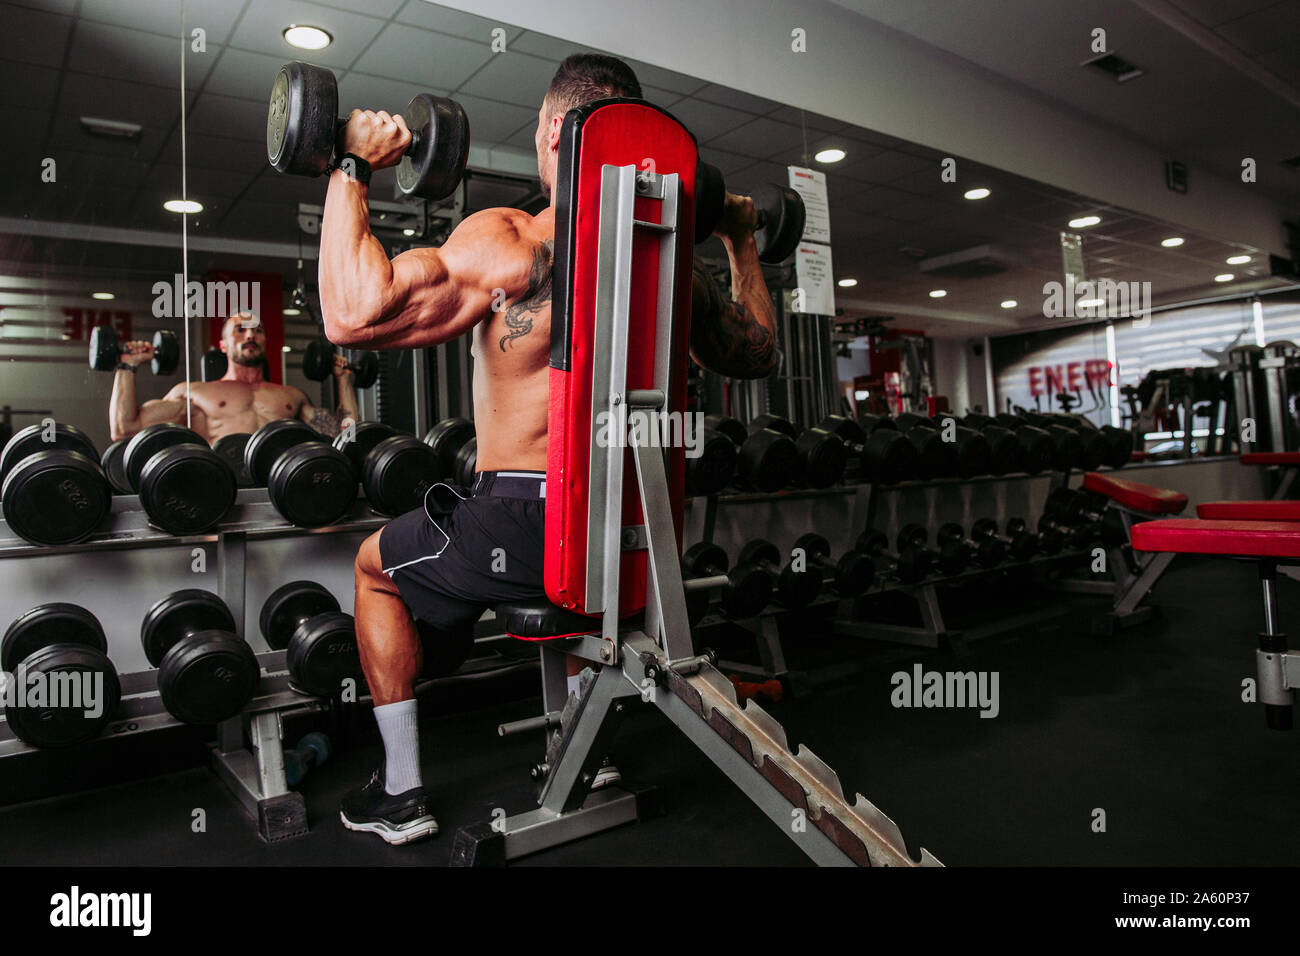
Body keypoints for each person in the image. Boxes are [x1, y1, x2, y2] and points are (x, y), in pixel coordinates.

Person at [321, 53, 778, 844]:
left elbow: (350, 317)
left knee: (373, 573)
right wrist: (739, 239)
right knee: (568, 585)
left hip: (530, 527)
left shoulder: (511, 241)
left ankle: (400, 793)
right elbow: (762, 351)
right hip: (643, 537)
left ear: (548, 131)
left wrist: (351, 163)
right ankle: (584, 754)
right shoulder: (674, 268)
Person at [109, 312, 359, 443]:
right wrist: (126, 366)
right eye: (240, 330)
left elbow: (345, 433)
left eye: (258, 331)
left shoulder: (291, 397)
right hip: (221, 489)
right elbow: (125, 428)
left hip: (281, 490)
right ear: (223, 345)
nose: (250, 335)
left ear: (265, 341)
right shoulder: (194, 393)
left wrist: (344, 379)